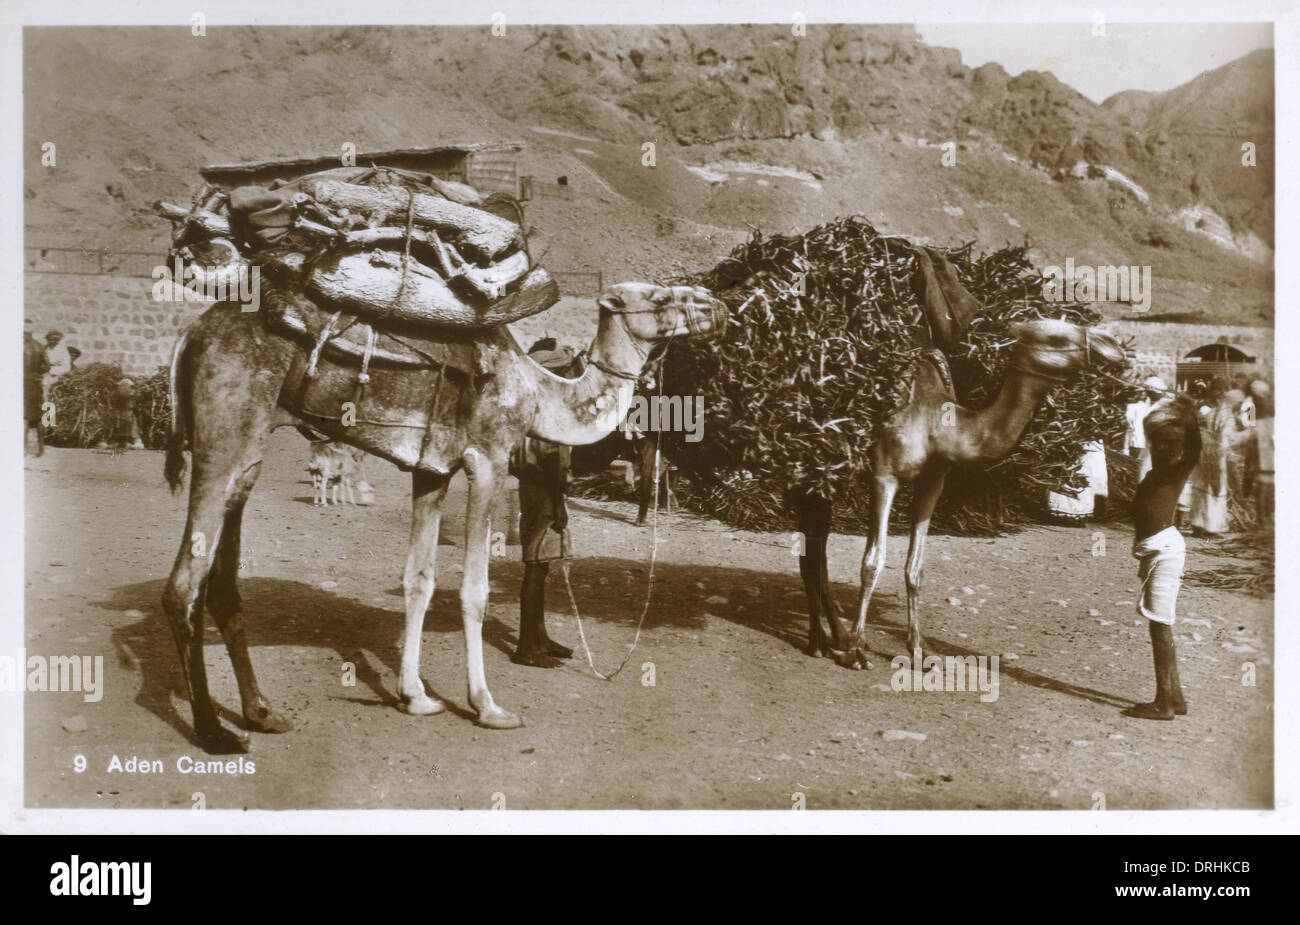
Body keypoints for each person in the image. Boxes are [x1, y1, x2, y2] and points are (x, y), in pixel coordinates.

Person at [507, 339, 581, 668]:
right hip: (543, 491)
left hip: (534, 487)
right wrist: (560, 505)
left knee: (541, 566)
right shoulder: (545, 410)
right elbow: (550, 461)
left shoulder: (530, 403)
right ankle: (526, 647)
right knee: (536, 569)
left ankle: (539, 636)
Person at [1126, 395, 1200, 721]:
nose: (1161, 449)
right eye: (1156, 443)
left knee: (1160, 626)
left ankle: (1163, 703)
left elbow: (1194, 446)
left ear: (1179, 447)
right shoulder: (1157, 471)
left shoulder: (1175, 469)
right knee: (1161, 624)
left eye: (1168, 445)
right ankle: (1177, 698)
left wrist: (1190, 412)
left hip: (1164, 552)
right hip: (1155, 551)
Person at [1243, 381, 1274, 527]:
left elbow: (1247, 424)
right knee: (1266, 483)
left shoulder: (1252, 404)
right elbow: (1248, 424)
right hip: (1263, 445)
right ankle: (1264, 516)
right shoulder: (1252, 404)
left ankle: (1265, 516)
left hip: (1263, 445)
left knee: (1264, 483)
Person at [24, 319, 50, 456]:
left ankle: (23, 449)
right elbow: (47, 366)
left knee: (24, 417)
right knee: (38, 416)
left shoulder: (18, 345)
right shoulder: (39, 346)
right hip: (35, 382)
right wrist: (37, 373)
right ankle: (41, 449)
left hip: (23, 382)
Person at [1124, 376, 1166, 461]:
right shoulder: (1135, 407)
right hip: (1136, 445)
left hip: (1153, 448)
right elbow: (1129, 430)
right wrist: (1125, 449)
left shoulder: (1162, 408)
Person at [110, 377, 137, 454]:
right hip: (123, 414)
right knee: (122, 427)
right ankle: (121, 443)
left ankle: (124, 443)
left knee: (126, 427)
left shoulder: (128, 397)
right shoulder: (123, 396)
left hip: (126, 415)